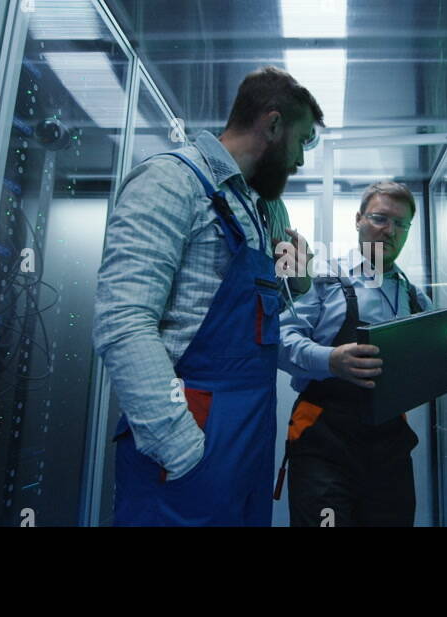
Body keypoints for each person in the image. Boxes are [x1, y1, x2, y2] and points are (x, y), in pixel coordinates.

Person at [92, 66, 323, 526]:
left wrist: (299, 277)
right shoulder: (170, 182)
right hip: (189, 447)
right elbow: (123, 321)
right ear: (272, 125)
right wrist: (180, 448)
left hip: (249, 442)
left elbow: (274, 295)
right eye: (301, 141)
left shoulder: (265, 207)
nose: (300, 161)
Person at [277, 180, 447, 526]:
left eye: (401, 224)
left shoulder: (414, 297)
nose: (390, 231)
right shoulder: (324, 278)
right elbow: (280, 342)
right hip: (323, 438)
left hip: (390, 445)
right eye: (380, 219)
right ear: (358, 219)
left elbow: (437, 360)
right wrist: (331, 360)